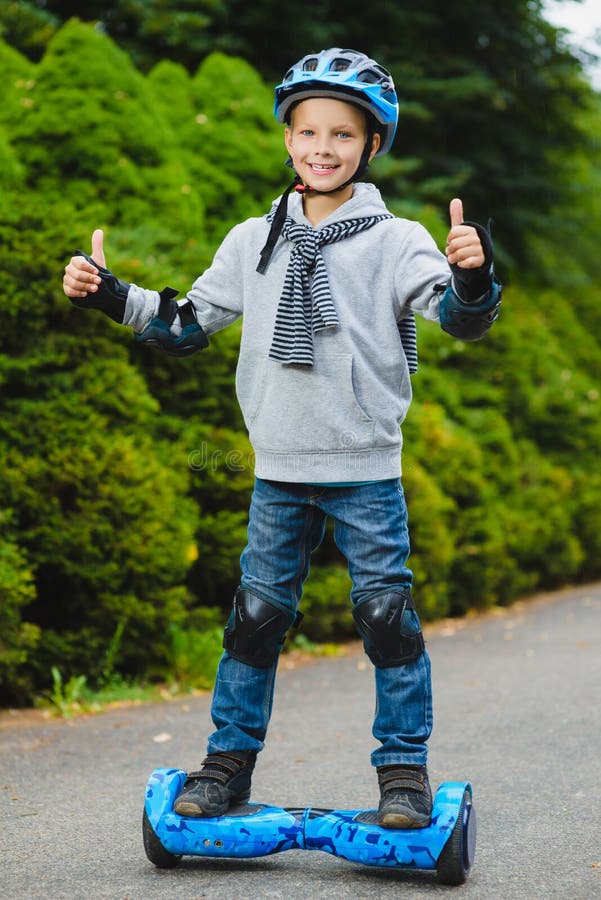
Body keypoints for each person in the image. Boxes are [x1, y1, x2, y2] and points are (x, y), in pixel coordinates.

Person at [63, 48, 501, 829]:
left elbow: (459, 322)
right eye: (306, 131)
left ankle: (402, 774)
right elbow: (185, 326)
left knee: (386, 618)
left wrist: (471, 276)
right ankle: (226, 766)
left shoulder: (396, 239)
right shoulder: (250, 238)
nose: (321, 148)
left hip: (365, 469)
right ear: (288, 139)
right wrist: (110, 296)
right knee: (255, 621)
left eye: (341, 134)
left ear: (370, 146)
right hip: (279, 468)